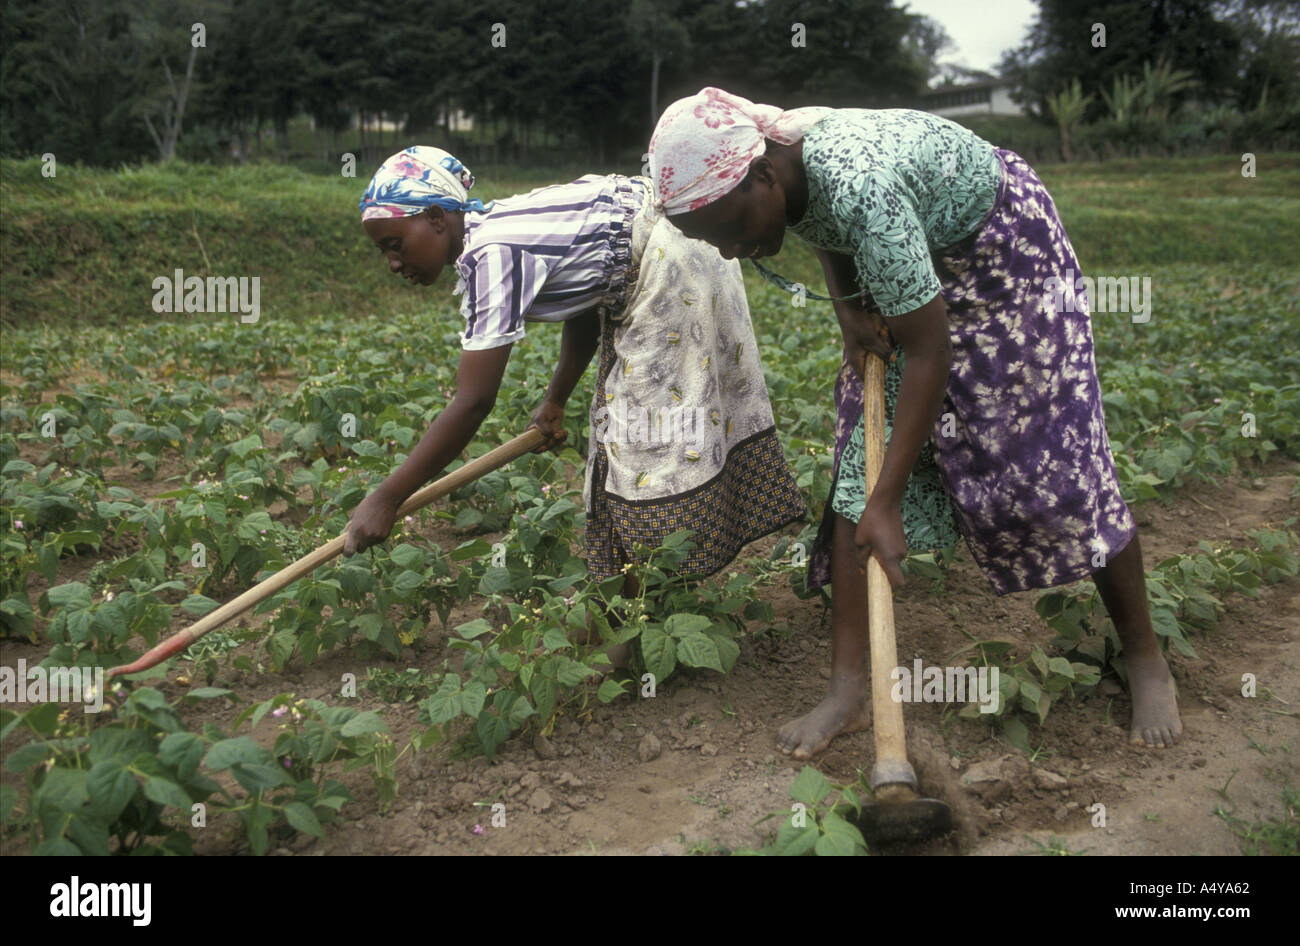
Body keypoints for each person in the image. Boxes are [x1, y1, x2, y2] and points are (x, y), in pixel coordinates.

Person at [647, 88, 1182, 754]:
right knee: (854, 475)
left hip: (1002, 249)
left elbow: (929, 348)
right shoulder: (783, 167)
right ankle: (849, 694)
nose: (731, 252)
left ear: (763, 175)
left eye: (731, 229)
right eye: (713, 240)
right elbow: (820, 222)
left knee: (1055, 461)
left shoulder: (860, 186)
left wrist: (891, 499)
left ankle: (1144, 655)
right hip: (907, 246)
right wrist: (849, 311)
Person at [344, 146, 806, 649]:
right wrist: (555, 399)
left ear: (436, 218)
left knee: (643, 444)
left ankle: (636, 617)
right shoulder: (493, 235)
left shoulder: (490, 253)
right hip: (662, 258)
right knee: (617, 435)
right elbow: (586, 299)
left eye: (395, 244)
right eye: (383, 252)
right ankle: (620, 599)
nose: (393, 263)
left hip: (671, 263)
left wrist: (387, 498)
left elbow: (473, 401)